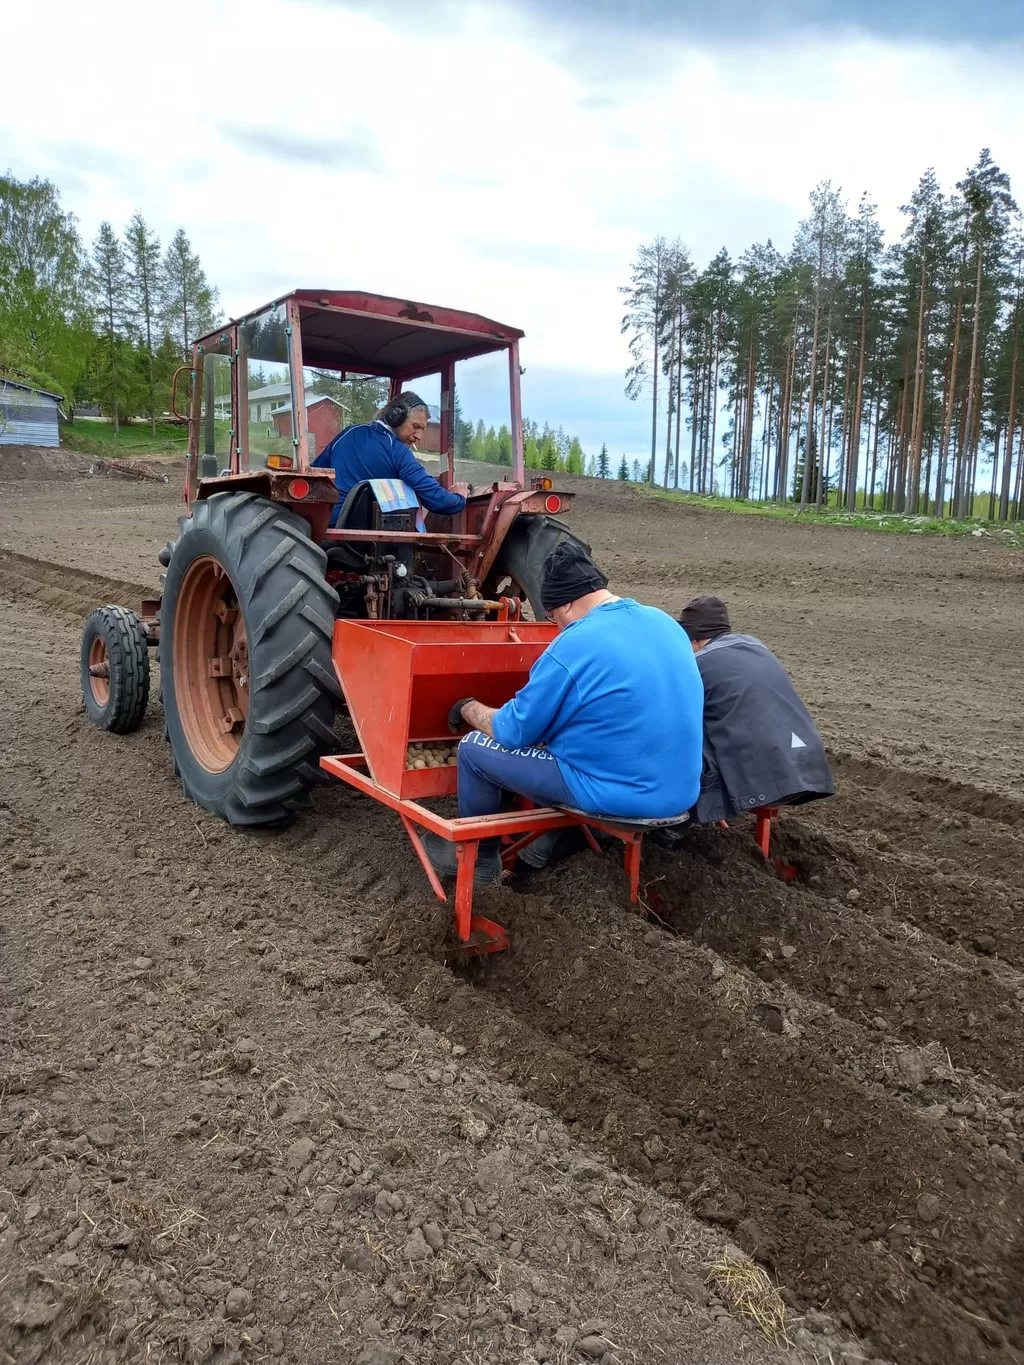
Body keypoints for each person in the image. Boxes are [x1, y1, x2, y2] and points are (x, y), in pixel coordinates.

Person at [420, 541, 705, 884]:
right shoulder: (665, 623)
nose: (554, 627)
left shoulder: (575, 643)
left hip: (621, 796)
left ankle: (479, 859)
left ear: (566, 604)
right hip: (682, 791)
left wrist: (468, 708)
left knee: (473, 748)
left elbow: (512, 731)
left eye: (552, 617)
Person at [678, 594, 834, 825]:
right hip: (808, 768)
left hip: (762, 777)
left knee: (684, 738)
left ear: (693, 640)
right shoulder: (756, 646)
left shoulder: (698, 664)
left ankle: (673, 832)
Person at [312, 391, 466, 527]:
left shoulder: (348, 433)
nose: (419, 436)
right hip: (364, 538)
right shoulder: (398, 452)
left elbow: (314, 473)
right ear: (396, 417)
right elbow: (438, 501)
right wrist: (459, 497)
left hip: (325, 526)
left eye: (422, 429)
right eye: (415, 426)